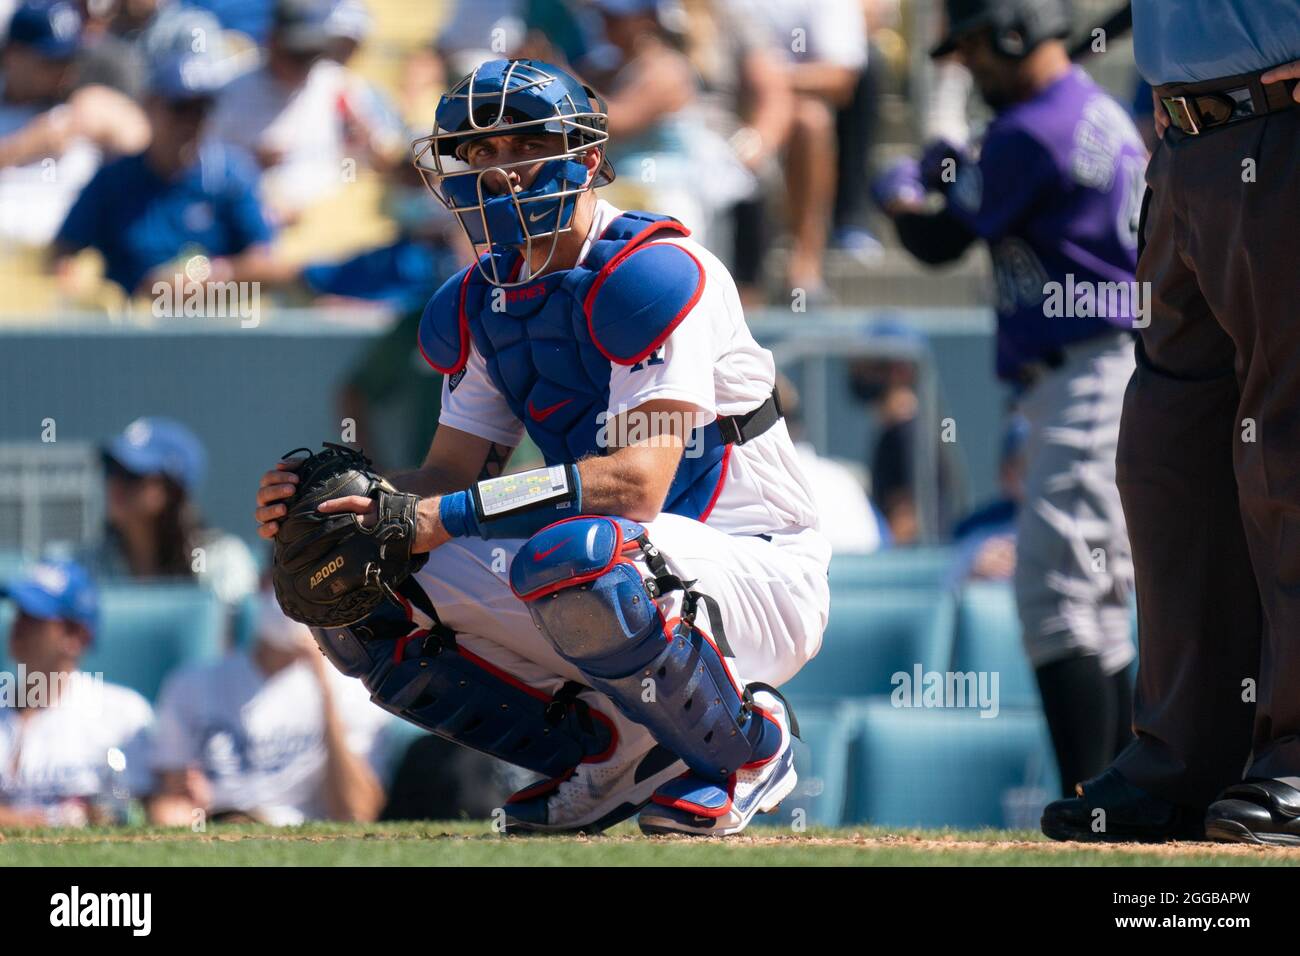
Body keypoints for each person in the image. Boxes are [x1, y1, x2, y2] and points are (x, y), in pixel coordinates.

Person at [255, 57, 830, 836]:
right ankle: (608, 755)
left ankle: (748, 747)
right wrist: (346, 501)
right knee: (354, 583)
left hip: (759, 569)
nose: (500, 171)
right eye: (480, 153)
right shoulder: (480, 298)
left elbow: (636, 485)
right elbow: (448, 476)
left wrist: (444, 514)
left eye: (521, 145)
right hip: (634, 561)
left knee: (580, 554)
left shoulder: (655, 272)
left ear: (586, 156)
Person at [1042, 1, 1300, 846]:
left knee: (1287, 457)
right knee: (1167, 463)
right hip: (1191, 137)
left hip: (1280, 123)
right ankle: (1187, 758)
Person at [873, 0, 1142, 802]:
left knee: (1056, 599)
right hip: (1106, 365)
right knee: (1094, 601)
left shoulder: (1034, 129)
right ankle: (1119, 799)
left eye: (977, 49)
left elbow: (938, 240)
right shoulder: (1080, 111)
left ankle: (1095, 804)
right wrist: (948, 163)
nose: (972, 66)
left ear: (1017, 32)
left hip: (1091, 365)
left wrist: (903, 186)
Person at [148, 589, 389, 825]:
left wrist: (325, 690)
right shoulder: (190, 684)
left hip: (299, 833)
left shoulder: (353, 691)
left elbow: (357, 812)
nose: (295, 603)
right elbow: (171, 800)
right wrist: (187, 801)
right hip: (217, 824)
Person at [50, 50, 276, 298]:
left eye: (200, 109)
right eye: (180, 108)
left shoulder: (229, 175)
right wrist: (81, 288)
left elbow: (264, 261)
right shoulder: (114, 181)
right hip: (129, 325)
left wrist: (203, 283)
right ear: (150, 106)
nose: (191, 122)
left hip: (212, 322)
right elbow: (64, 249)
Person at [0, 560, 155, 828]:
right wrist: (42, 821)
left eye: (35, 617)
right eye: (19, 613)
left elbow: (143, 812)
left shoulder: (122, 713)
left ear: (76, 635)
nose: (18, 625)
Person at [0, 0, 148, 247]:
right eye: (52, 61)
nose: (65, 72)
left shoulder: (87, 108)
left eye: (70, 59)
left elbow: (146, 146)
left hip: (61, 261)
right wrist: (24, 146)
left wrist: (91, 117)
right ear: (13, 55)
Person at [87, 416, 258, 620]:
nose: (115, 483)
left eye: (131, 474)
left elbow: (236, 642)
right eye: (110, 469)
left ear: (173, 490)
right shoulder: (87, 566)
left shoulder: (220, 560)